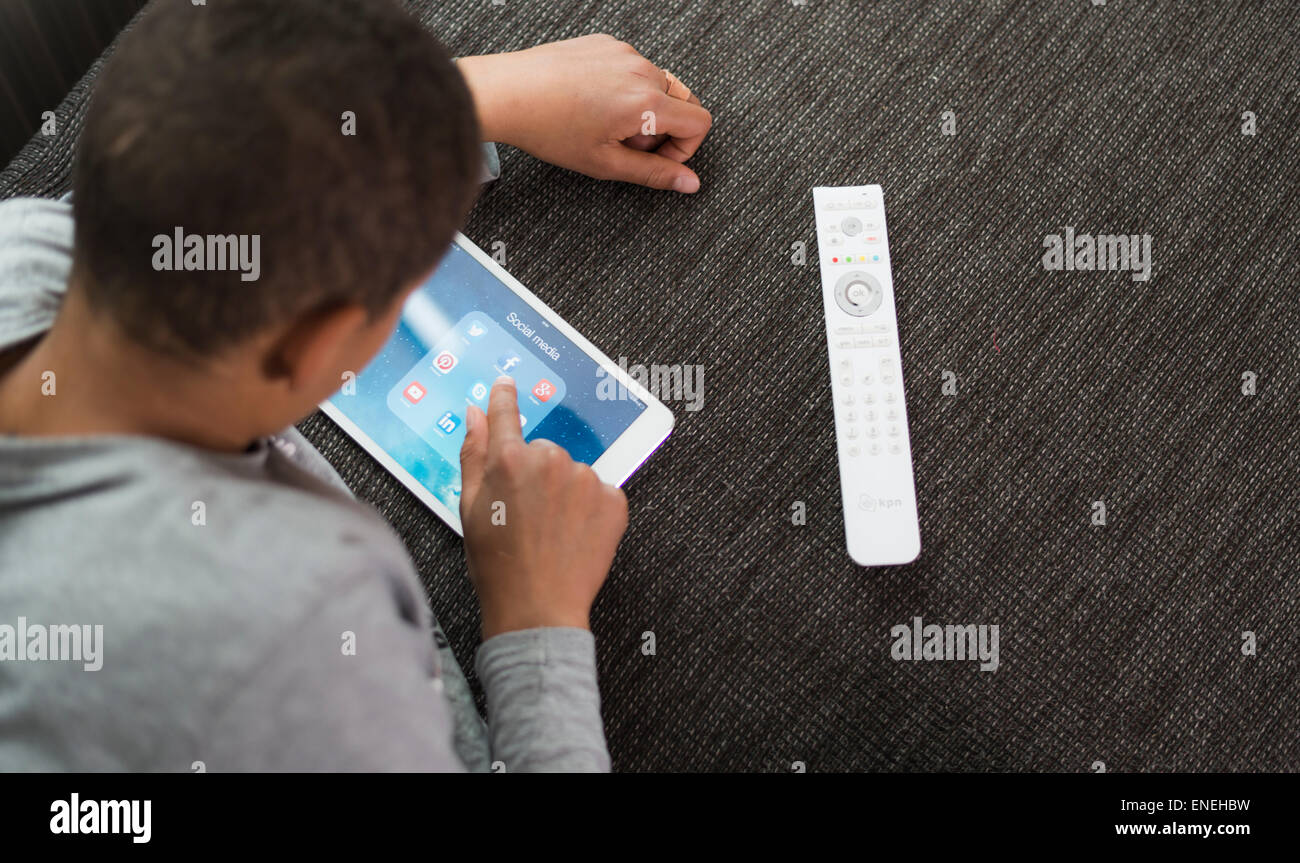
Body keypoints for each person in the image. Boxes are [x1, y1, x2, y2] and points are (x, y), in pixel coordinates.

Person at [0, 0, 710, 771]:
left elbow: (202, 174)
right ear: (320, 343)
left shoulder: (29, 247)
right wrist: (534, 612)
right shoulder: (303, 624)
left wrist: (479, 100)